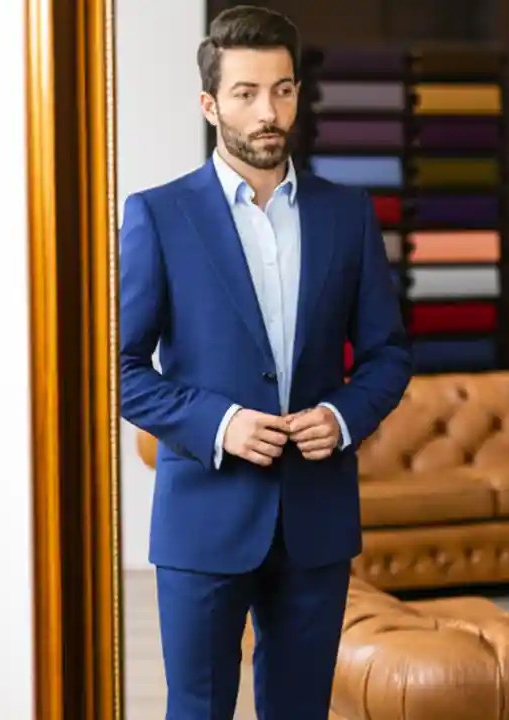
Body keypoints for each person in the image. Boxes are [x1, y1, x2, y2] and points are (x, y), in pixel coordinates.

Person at [118, 6, 410, 718]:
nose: (268, 110)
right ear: (210, 103)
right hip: (203, 520)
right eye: (246, 93)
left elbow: (388, 354)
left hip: (316, 516)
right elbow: (119, 367)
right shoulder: (158, 215)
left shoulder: (348, 215)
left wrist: (343, 416)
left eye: (282, 89)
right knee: (198, 708)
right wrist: (222, 425)